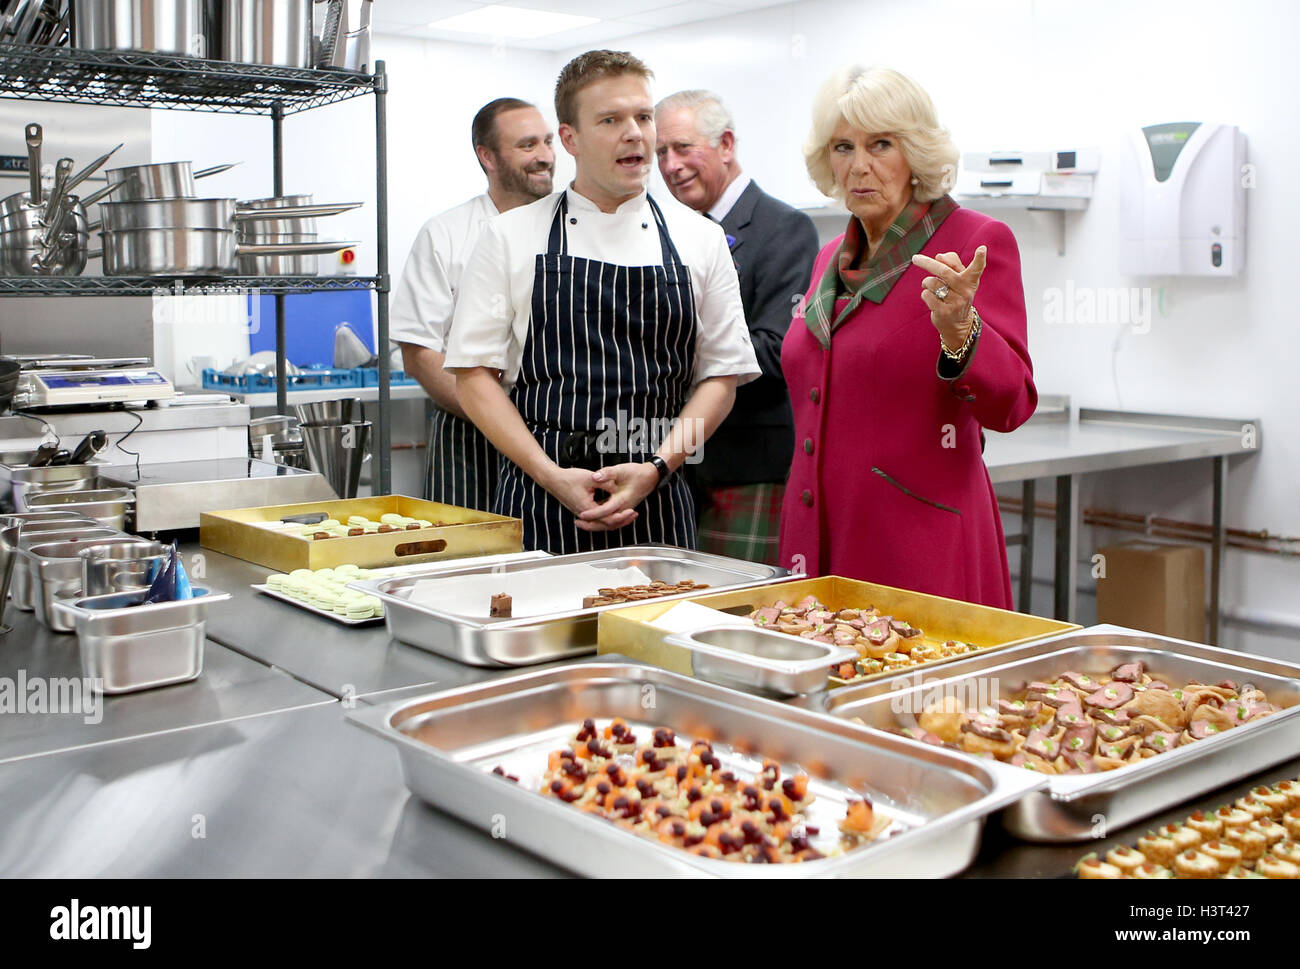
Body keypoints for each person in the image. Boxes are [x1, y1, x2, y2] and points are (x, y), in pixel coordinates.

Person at [444, 50, 760, 554]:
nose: (634, 132)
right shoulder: (509, 236)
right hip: (540, 493)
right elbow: (472, 377)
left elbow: (722, 377)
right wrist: (551, 477)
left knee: (653, 631)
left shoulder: (700, 239)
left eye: (643, 116)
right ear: (570, 138)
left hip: (657, 493)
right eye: (610, 120)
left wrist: (657, 467)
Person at [779, 66, 1037, 609]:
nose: (859, 166)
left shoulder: (976, 241)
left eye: (881, 145)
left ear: (915, 153)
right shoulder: (830, 257)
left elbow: (1012, 404)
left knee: (922, 695)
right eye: (843, 147)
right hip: (817, 540)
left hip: (919, 549)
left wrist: (964, 334)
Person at [655, 90, 819, 565]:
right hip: (675, 467)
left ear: (726, 144)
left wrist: (662, 361)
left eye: (683, 148)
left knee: (741, 614)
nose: (670, 165)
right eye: (661, 152)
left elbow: (774, 351)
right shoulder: (669, 231)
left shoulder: (784, 229)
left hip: (746, 469)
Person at [390, 97, 555, 510]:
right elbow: (419, 352)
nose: (545, 156)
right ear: (488, 157)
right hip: (469, 437)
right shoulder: (445, 234)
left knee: (548, 561)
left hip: (557, 431)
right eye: (528, 145)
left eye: (548, 142)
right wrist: (498, 418)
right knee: (466, 561)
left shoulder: (574, 229)